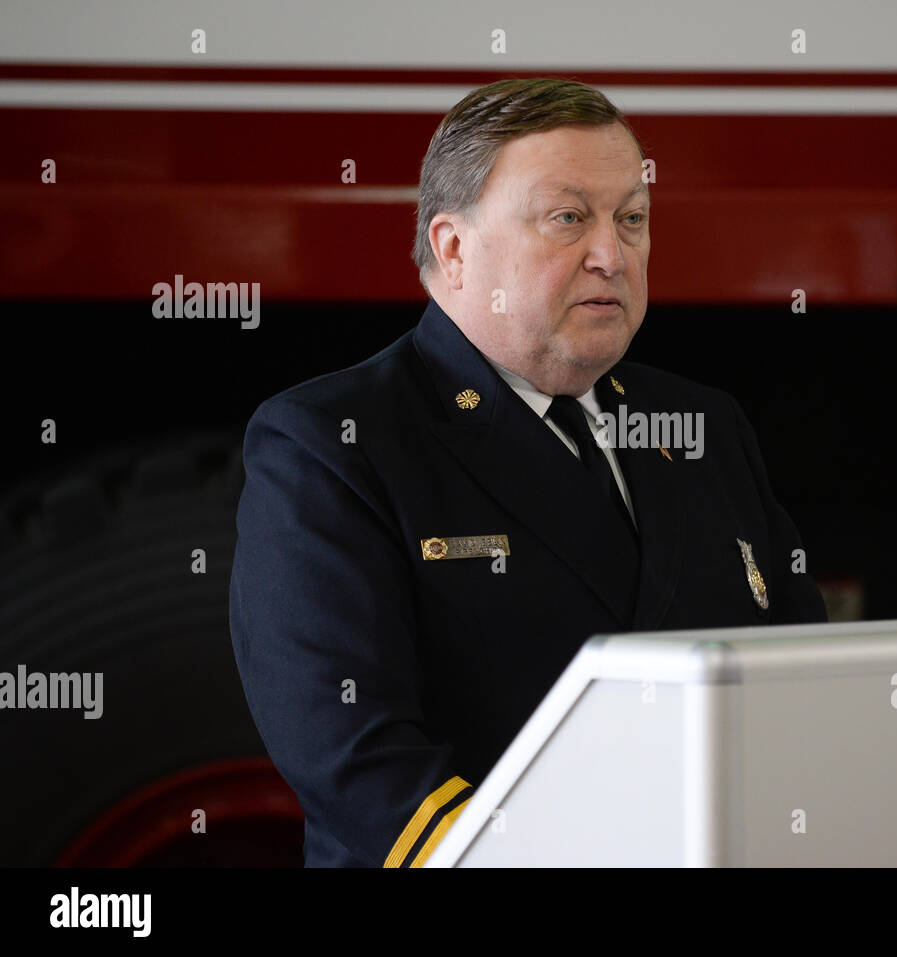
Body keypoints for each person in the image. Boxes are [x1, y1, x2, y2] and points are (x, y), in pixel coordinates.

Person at [229, 77, 827, 868]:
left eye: (633, 218)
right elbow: (359, 760)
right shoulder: (332, 445)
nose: (612, 255)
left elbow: (799, 684)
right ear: (453, 248)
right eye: (568, 218)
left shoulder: (706, 427)